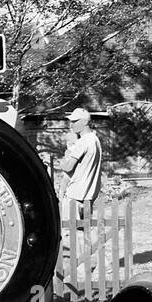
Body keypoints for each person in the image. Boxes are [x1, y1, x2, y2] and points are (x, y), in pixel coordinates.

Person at [58, 107, 103, 263]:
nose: (71, 125)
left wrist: (61, 162)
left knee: (68, 232)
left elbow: (68, 167)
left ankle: (72, 265)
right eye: (71, 121)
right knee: (86, 231)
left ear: (85, 122)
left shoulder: (83, 141)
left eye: (75, 121)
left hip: (75, 195)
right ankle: (91, 262)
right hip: (89, 195)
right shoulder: (95, 139)